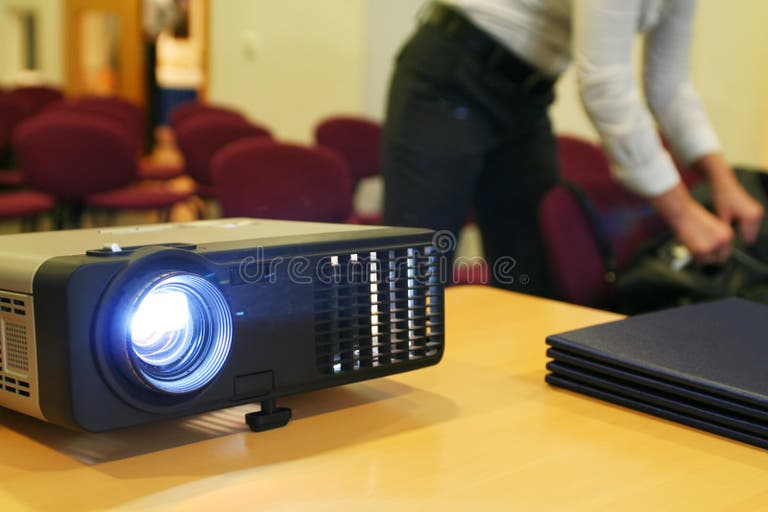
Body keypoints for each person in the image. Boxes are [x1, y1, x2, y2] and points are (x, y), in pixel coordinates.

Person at [381, 0, 764, 298]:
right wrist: (683, 215)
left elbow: (670, 85)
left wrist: (724, 182)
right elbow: (604, 83)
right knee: (412, 286)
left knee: (532, 279)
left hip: (526, 94)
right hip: (450, 76)